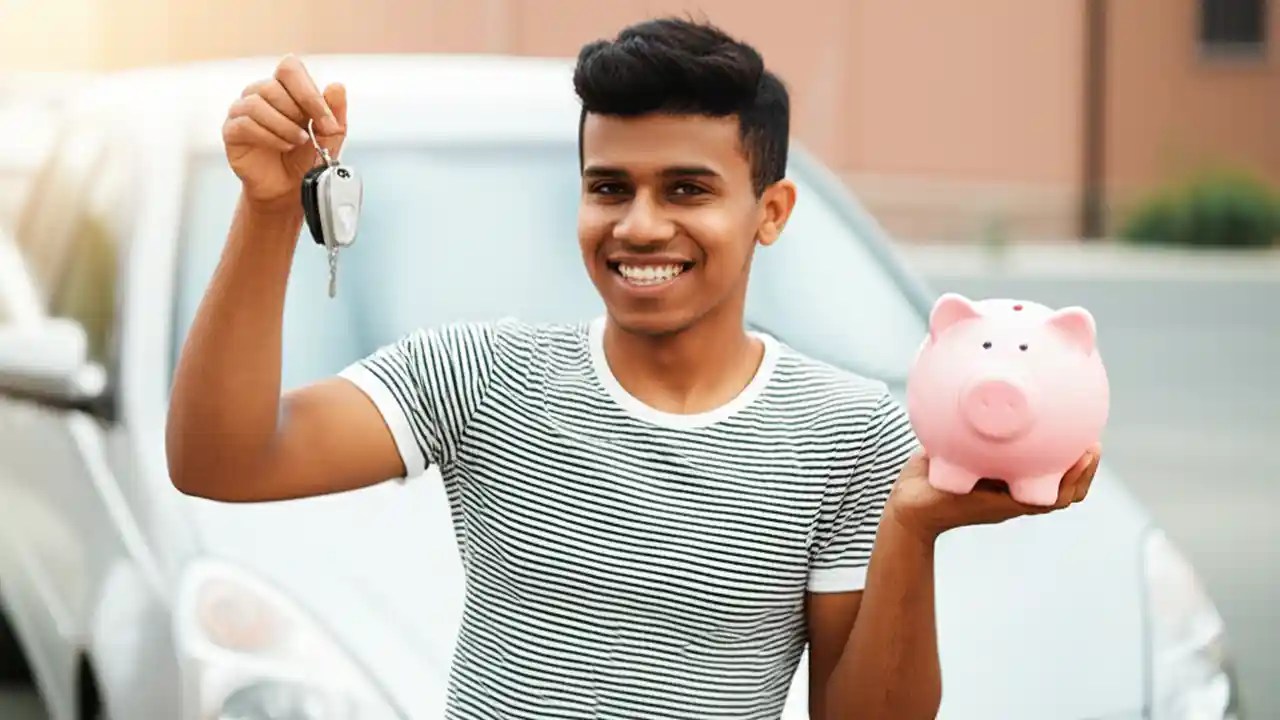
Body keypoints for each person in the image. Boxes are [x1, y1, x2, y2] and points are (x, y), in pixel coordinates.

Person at [166, 16, 1101, 720]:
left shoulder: (850, 427)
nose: (639, 224)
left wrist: (914, 528)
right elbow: (222, 460)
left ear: (770, 211)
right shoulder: (481, 376)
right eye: (609, 187)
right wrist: (268, 209)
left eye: (686, 188)